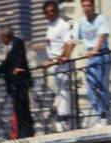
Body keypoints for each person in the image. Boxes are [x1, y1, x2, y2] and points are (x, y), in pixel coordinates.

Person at [41, 0, 76, 131]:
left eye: (52, 11)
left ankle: (64, 122)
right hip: (53, 65)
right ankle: (61, 120)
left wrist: (63, 57)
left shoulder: (62, 25)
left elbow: (69, 42)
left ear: (57, 11)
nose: (50, 14)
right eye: (47, 12)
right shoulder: (50, 26)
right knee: (58, 94)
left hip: (61, 64)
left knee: (64, 93)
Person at [0, 25, 35, 138]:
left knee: (22, 107)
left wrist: (17, 70)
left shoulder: (17, 43)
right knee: (19, 108)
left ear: (5, 36)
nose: (0, 40)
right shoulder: (10, 46)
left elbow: (19, 59)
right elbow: (6, 63)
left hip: (19, 82)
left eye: (1, 38)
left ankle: (26, 132)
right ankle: (23, 132)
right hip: (15, 83)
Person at [76, 0, 111, 125]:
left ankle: (104, 115)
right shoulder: (81, 22)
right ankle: (99, 113)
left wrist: (95, 50)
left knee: (102, 86)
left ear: (93, 6)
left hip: (102, 54)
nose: (86, 8)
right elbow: (73, 39)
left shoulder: (101, 18)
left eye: (88, 5)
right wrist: (64, 56)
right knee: (90, 87)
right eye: (84, 6)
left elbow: (102, 36)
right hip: (91, 57)